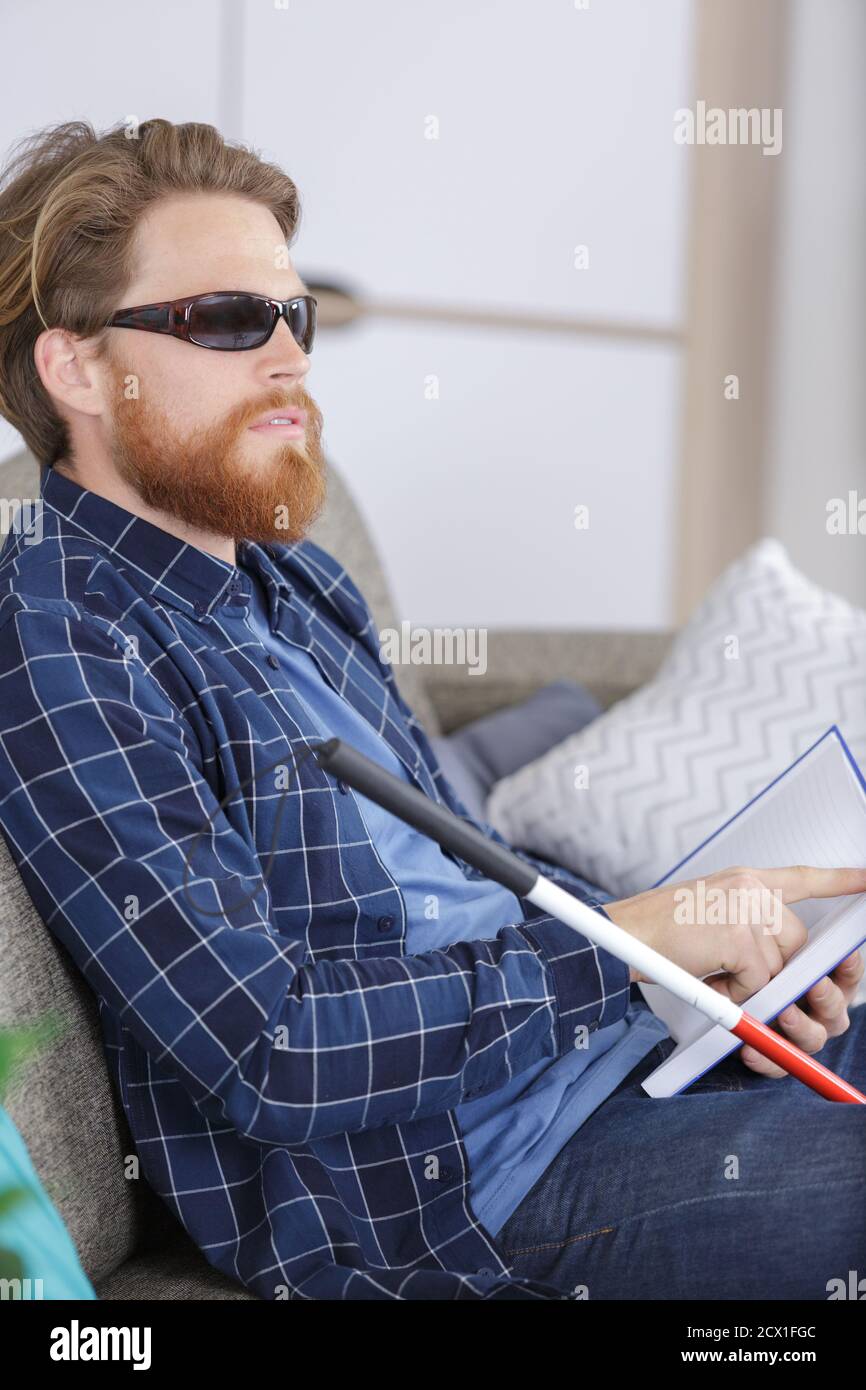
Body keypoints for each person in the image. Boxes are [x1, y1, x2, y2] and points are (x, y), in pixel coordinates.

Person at [0, 119, 862, 1301]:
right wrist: (623, 955)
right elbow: (275, 1051)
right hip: (467, 1187)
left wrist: (689, 977)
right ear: (79, 369)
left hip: (621, 1054)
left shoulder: (289, 574)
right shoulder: (60, 646)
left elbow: (463, 882)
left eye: (291, 316)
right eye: (225, 320)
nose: (289, 358)